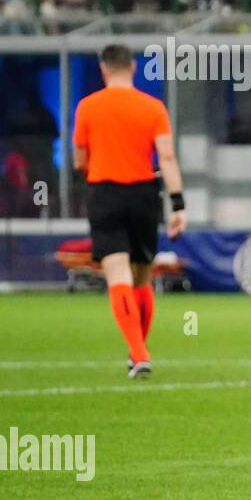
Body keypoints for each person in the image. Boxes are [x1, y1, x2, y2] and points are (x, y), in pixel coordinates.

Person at [72, 44, 187, 377]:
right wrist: (177, 203)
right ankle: (138, 352)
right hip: (143, 195)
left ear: (104, 69)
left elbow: (80, 160)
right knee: (141, 276)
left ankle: (138, 352)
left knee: (117, 274)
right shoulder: (152, 108)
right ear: (133, 68)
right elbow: (165, 157)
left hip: (104, 191)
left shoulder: (88, 107)